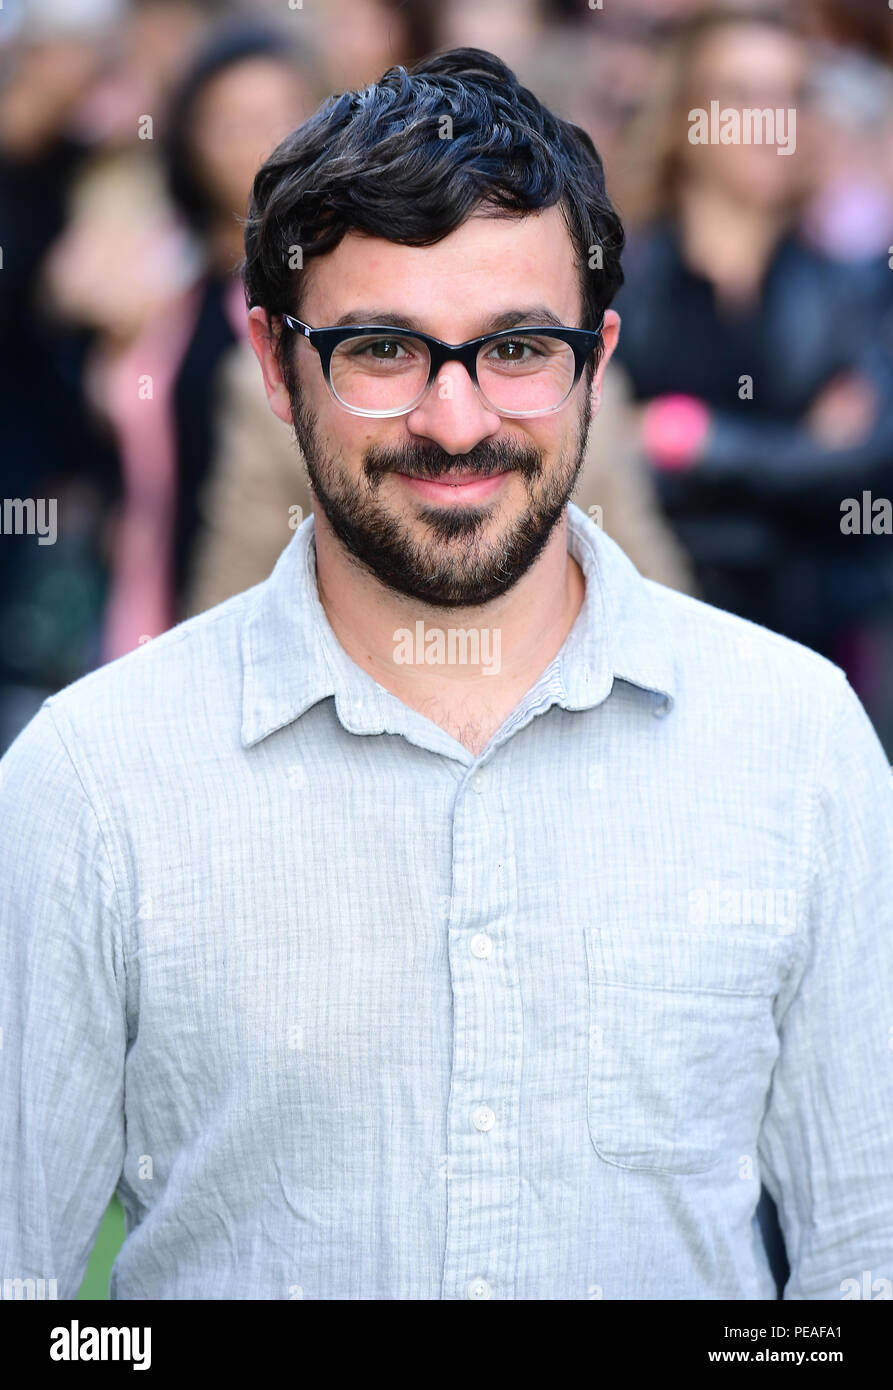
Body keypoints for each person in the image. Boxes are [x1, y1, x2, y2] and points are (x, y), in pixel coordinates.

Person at [1, 47, 891, 1302]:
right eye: (381, 350)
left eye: (519, 347)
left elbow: (864, 1266)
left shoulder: (795, 741)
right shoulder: (91, 782)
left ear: (598, 359)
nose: (458, 420)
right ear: (272, 362)